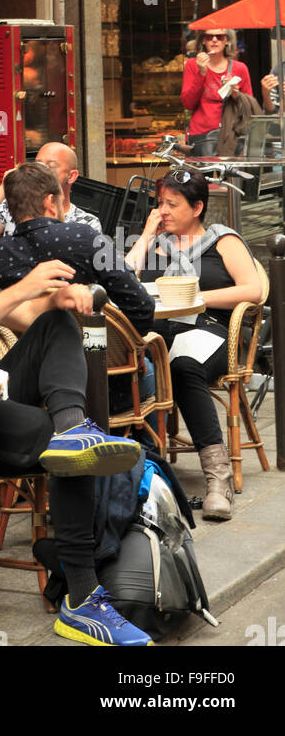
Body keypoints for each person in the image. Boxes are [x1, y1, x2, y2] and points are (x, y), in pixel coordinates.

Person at [0, 178, 153, 647]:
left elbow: (27, 321)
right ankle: (82, 597)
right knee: (55, 442)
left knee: (58, 328)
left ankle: (73, 428)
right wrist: (21, 288)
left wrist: (54, 299)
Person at [126, 169, 263, 521]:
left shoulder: (222, 241)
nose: (164, 211)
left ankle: (218, 480)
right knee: (117, 362)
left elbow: (252, 290)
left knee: (184, 367)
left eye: (173, 204)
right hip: (158, 333)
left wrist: (196, 296)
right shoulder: (156, 243)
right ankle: (134, 474)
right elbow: (124, 281)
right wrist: (145, 235)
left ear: (198, 206)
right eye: (160, 203)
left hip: (208, 328)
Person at [0, 163, 155, 335]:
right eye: (61, 201)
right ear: (50, 202)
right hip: (96, 355)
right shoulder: (83, 236)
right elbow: (141, 306)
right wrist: (128, 344)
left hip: (19, 356)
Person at [0, 142, 103, 239]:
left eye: (51, 166)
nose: (41, 170)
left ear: (71, 176)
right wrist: (4, 188)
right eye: (38, 164)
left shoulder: (86, 222)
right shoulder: (12, 208)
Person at [181, 27, 253, 156]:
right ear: (203, 41)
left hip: (231, 134)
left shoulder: (240, 68)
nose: (214, 40)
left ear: (227, 41)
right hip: (201, 133)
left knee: (231, 175)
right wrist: (201, 74)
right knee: (200, 176)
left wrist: (236, 95)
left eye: (219, 37)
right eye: (209, 37)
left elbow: (249, 108)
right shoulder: (192, 65)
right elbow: (188, 103)